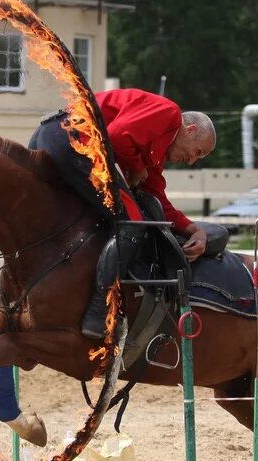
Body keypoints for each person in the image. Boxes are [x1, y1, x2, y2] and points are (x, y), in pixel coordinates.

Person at [28, 88, 227, 339]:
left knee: (54, 218)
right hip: (76, 141)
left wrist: (192, 228)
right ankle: (100, 311)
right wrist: (135, 168)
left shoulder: (156, 146)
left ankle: (7, 294)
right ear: (190, 130)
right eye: (198, 152)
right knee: (133, 224)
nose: (192, 161)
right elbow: (117, 136)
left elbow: (156, 197)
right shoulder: (169, 114)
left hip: (52, 135)